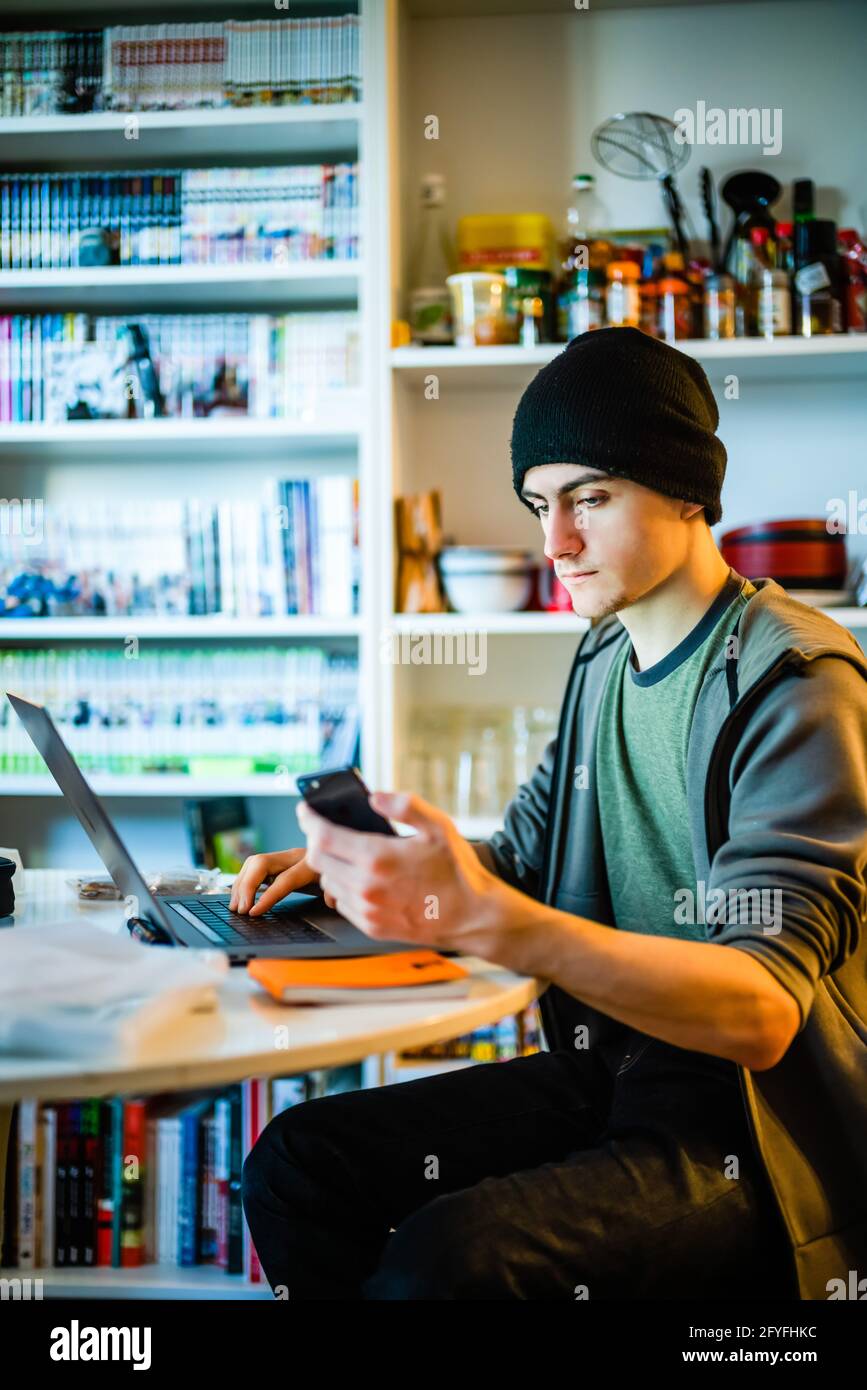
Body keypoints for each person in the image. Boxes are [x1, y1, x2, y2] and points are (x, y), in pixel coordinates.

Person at [237, 328, 867, 1300]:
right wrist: (376, 867)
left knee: (446, 1264)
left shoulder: (797, 682)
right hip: (607, 1068)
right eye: (541, 502)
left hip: (749, 1129)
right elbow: (521, 860)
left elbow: (763, 1008)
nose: (554, 542)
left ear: (690, 490)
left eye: (591, 497)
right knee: (296, 1161)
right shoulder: (604, 654)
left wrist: (493, 918)